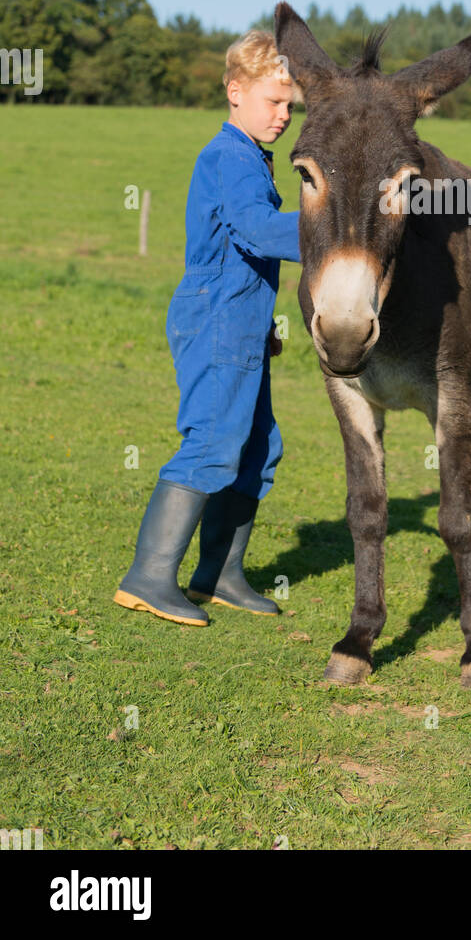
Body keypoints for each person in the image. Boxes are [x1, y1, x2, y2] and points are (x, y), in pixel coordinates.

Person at [114, 31, 302, 627]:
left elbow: (245, 253)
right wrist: (337, 232)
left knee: (257, 446)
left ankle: (217, 574)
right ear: (235, 91)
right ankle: (147, 577)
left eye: (290, 105)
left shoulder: (252, 158)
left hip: (240, 318)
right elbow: (254, 231)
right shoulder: (228, 157)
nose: (283, 115)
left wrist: (264, 324)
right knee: (213, 442)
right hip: (218, 317)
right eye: (273, 101)